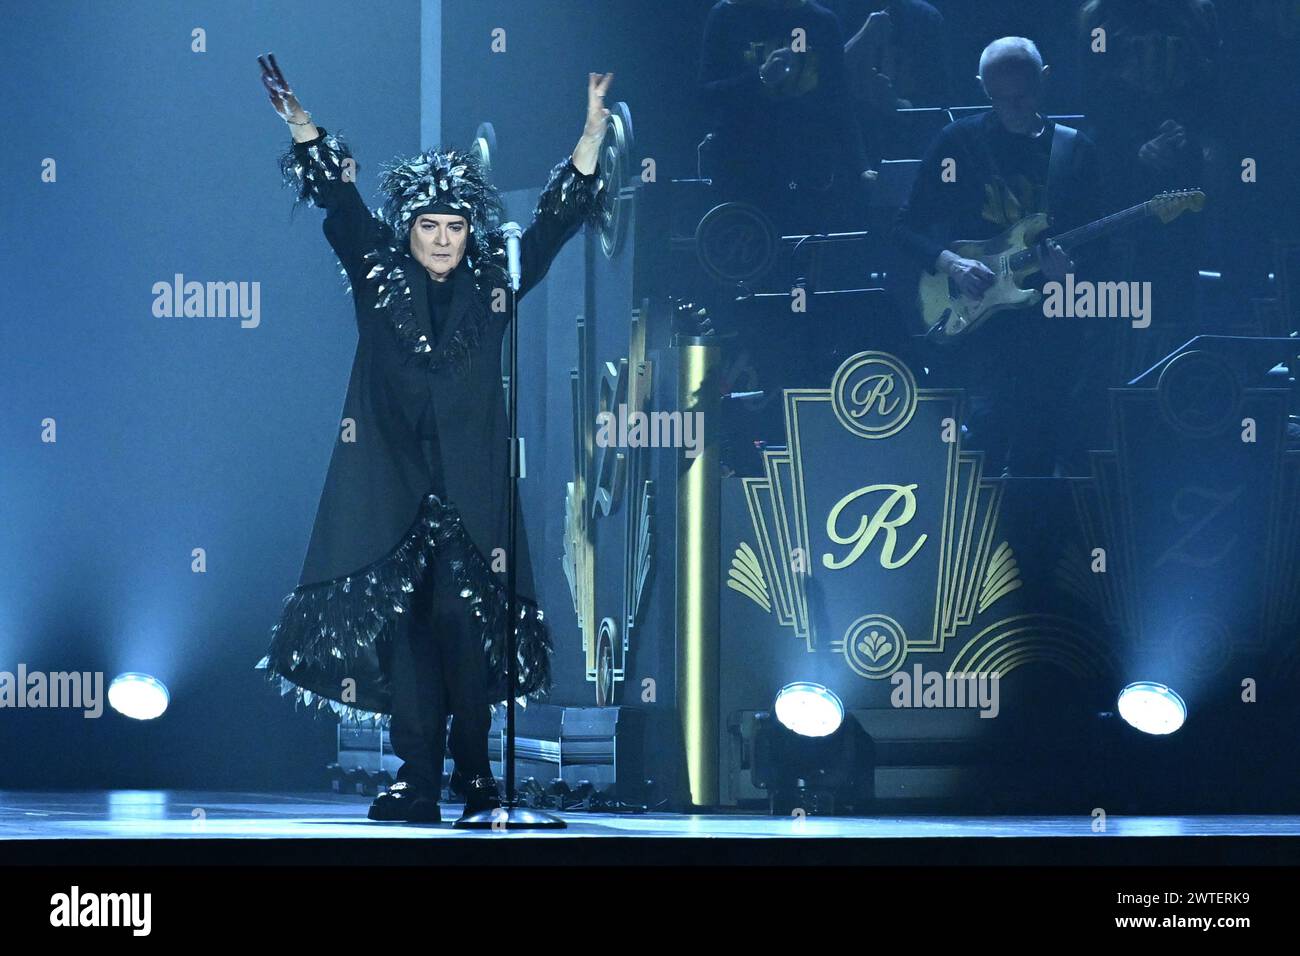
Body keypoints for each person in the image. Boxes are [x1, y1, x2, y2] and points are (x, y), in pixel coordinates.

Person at [254, 53, 612, 823]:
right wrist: (300, 125)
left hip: (471, 490)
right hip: (389, 485)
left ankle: (475, 772)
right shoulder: (375, 267)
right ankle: (416, 777)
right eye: (430, 226)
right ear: (409, 228)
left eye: (454, 226)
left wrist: (589, 137)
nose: (444, 239)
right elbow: (338, 199)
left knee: (463, 618)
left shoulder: (496, 278)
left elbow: (553, 221)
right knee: (409, 628)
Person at [891, 37, 1110, 477]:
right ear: (981, 88)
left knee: (1041, 441)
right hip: (976, 324)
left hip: (1050, 324)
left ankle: (1031, 532)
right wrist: (951, 262)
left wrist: (1072, 275)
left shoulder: (1075, 150)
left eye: (1023, 95)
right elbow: (903, 227)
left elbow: (1102, 246)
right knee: (982, 439)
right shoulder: (958, 143)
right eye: (999, 98)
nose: (1013, 107)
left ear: (1045, 81)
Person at [699, 0, 874, 233]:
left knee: (805, 259)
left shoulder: (822, 22)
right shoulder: (728, 15)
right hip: (742, 170)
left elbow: (839, 103)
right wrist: (759, 78)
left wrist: (860, 166)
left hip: (807, 173)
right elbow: (704, 96)